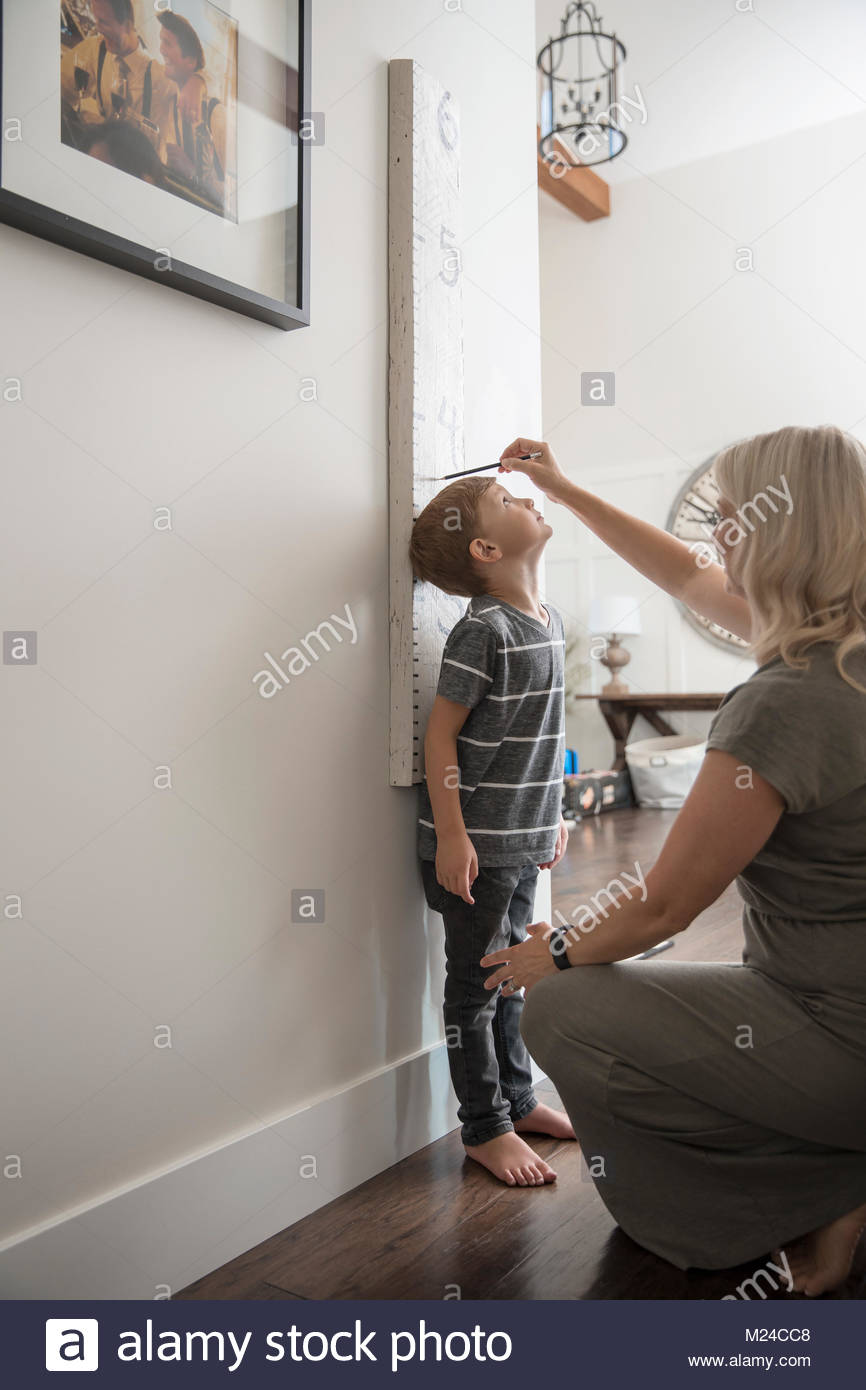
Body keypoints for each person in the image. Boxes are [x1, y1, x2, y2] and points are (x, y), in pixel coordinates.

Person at [481, 424, 866, 1295]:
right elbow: (687, 576)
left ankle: (815, 1192)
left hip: (845, 1041)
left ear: (781, 530)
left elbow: (664, 907)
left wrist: (557, 949)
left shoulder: (786, 701)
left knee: (563, 1010)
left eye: (734, 517)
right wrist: (568, 490)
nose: (717, 535)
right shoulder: (845, 650)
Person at [409, 478, 576, 1187]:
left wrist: (556, 812)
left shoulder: (551, 619)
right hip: (474, 846)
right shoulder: (485, 630)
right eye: (509, 501)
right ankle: (484, 1128)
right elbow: (440, 737)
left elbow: (545, 736)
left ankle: (519, 1099)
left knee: (516, 978)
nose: (529, 499)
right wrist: (452, 835)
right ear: (485, 547)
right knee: (475, 989)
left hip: (524, 836)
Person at [60, 0, 173, 136]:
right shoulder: (95, 49)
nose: (98, 28)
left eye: (104, 22)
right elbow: (58, 86)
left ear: (127, 26)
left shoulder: (161, 81)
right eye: (97, 20)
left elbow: (157, 150)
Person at [156, 10, 228, 211]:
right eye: (161, 41)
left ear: (191, 60)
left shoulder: (216, 115)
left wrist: (192, 173)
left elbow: (237, 196)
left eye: (168, 44)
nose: (161, 50)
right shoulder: (169, 106)